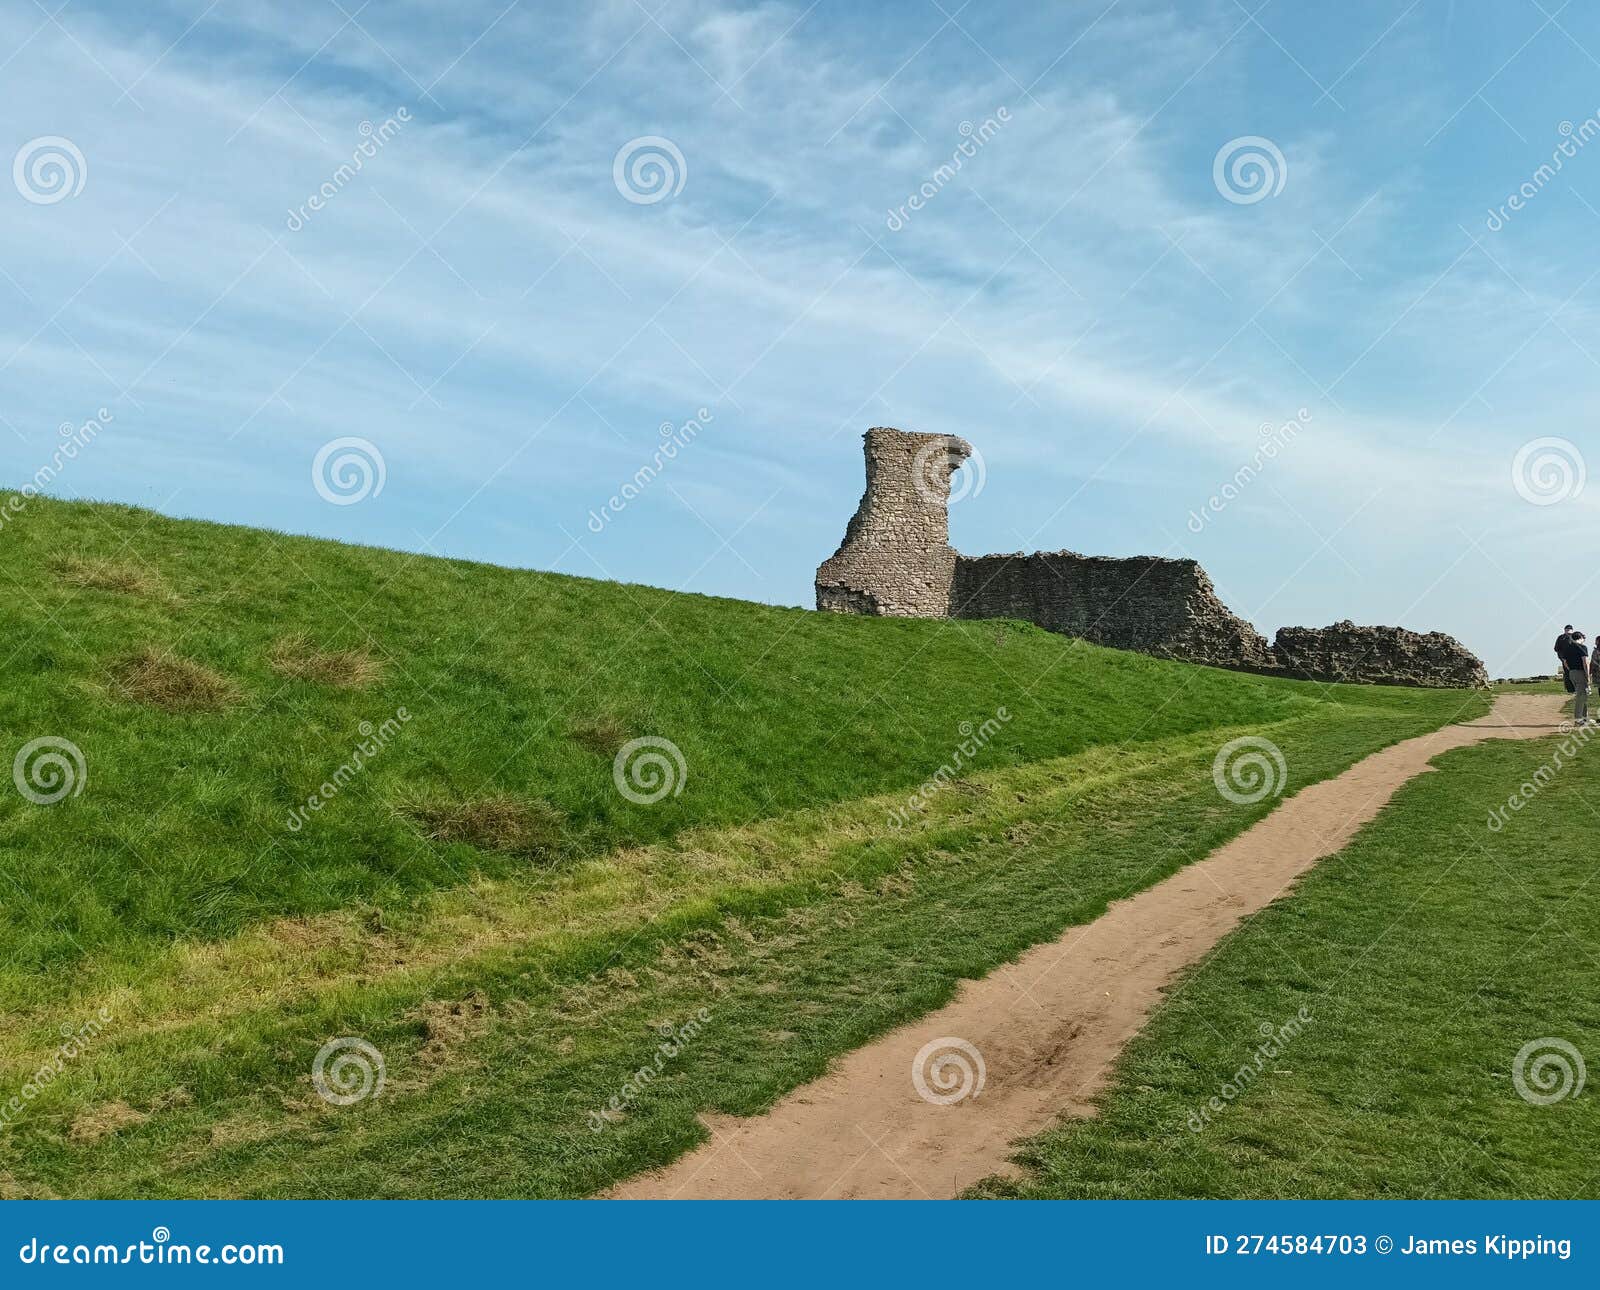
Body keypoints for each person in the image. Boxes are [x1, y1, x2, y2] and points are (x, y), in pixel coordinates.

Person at [1558, 629, 1590, 723]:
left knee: (1582, 694)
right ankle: (1578, 719)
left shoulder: (1567, 648)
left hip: (1571, 672)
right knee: (1582, 695)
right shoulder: (1582, 647)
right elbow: (1585, 662)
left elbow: (1565, 662)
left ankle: (1585, 717)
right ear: (1580, 638)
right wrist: (1587, 675)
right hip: (1580, 672)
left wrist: (1570, 670)